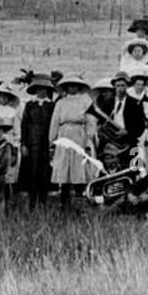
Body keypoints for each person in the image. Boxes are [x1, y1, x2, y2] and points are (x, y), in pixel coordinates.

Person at [50, 75, 97, 205]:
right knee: (64, 169)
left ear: (79, 87)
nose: (72, 88)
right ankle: (64, 202)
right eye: (69, 86)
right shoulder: (60, 103)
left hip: (79, 135)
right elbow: (55, 122)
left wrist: (88, 139)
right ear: (66, 87)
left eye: (75, 86)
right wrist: (52, 140)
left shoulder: (86, 102)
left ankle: (79, 201)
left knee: (79, 168)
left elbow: (91, 122)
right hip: (64, 135)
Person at [19, 74, 55, 208]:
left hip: (46, 143)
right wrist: (23, 144)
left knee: (44, 172)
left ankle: (43, 201)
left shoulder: (51, 105)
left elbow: (53, 124)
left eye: (45, 89)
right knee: (32, 172)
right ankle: (32, 202)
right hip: (31, 143)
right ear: (35, 90)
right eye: (39, 88)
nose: (42, 91)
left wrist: (53, 144)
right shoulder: (29, 105)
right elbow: (24, 125)